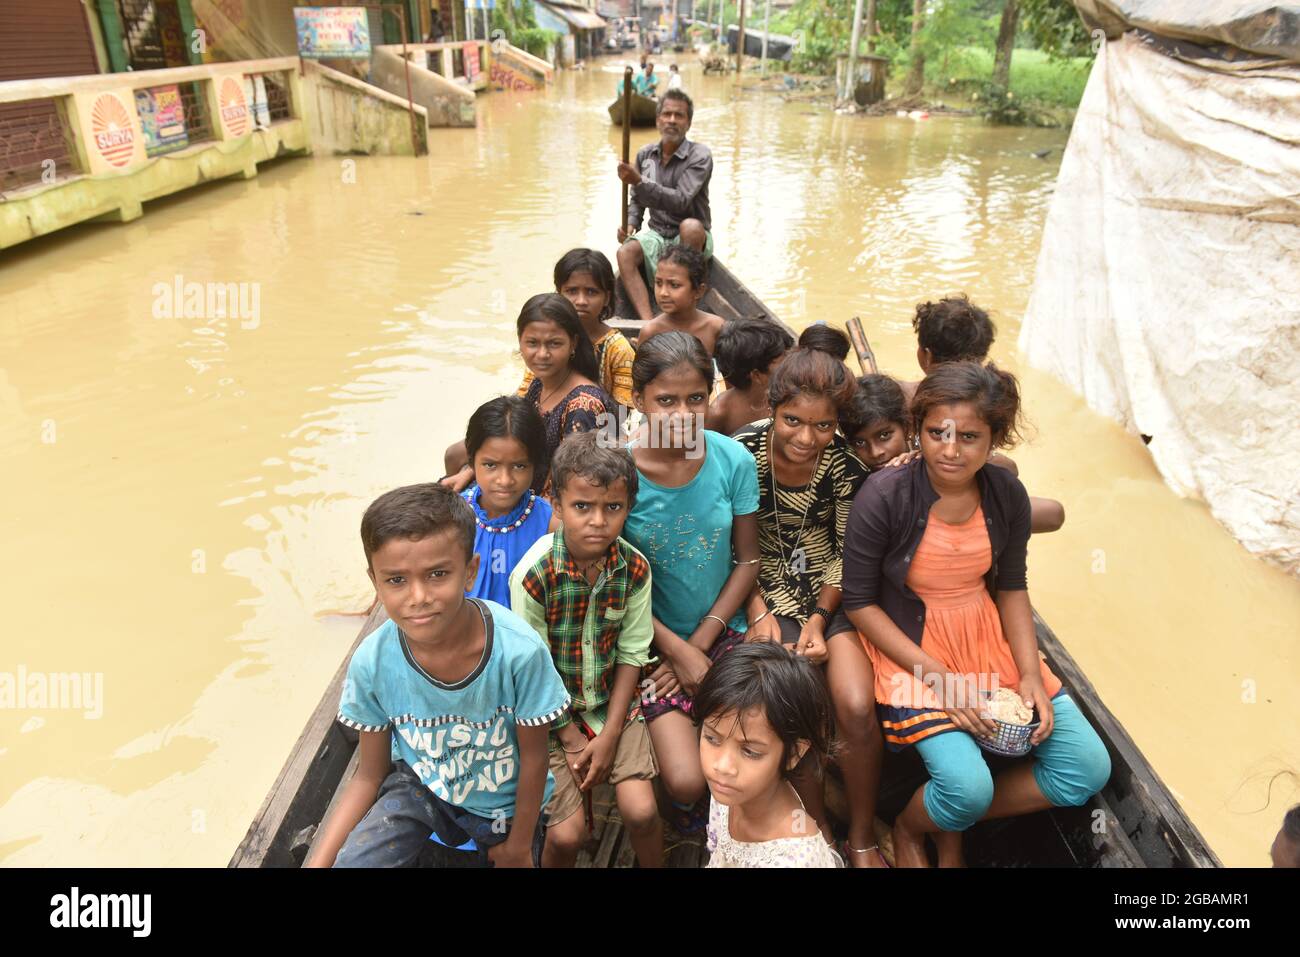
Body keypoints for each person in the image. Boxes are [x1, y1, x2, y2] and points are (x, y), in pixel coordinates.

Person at [841, 362, 1111, 868]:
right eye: (936, 433)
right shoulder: (884, 495)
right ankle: (910, 827)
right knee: (966, 788)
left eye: (969, 436)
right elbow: (859, 604)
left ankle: (939, 817)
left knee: (1085, 768)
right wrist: (939, 678)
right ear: (918, 431)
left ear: (995, 439)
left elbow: (1012, 588)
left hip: (989, 637)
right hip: (913, 646)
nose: (950, 449)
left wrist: (1030, 673)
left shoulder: (1007, 495)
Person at [306, 484, 570, 868]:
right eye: (396, 580)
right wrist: (319, 863)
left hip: (504, 802)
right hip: (423, 788)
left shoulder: (518, 652)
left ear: (470, 572)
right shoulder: (373, 662)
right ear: (375, 581)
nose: (418, 596)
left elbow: (534, 759)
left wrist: (518, 845)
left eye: (437, 574)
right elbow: (369, 774)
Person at [733, 348, 887, 868]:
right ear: (771, 408)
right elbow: (732, 546)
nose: (805, 438)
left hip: (830, 596)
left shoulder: (845, 464)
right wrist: (757, 611)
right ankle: (815, 832)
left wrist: (819, 620)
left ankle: (862, 836)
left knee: (857, 707)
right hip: (760, 593)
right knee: (792, 708)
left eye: (823, 426)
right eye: (793, 421)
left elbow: (847, 552)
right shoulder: (741, 453)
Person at [620, 332, 760, 830]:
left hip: (724, 631)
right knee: (684, 782)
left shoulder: (732, 460)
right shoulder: (619, 473)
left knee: (752, 751)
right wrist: (677, 652)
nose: (683, 414)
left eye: (696, 398)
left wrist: (700, 642)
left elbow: (747, 561)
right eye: (666, 401)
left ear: (711, 394)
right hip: (648, 646)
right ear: (637, 401)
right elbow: (611, 582)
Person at [510, 431, 663, 868]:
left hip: (612, 705)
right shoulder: (534, 575)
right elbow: (531, 671)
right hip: (547, 716)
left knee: (643, 811)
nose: (598, 520)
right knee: (565, 837)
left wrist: (611, 732)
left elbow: (633, 654)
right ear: (556, 505)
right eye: (582, 507)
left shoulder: (633, 568)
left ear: (627, 508)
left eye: (612, 507)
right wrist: (572, 738)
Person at [896, 295, 1066, 534]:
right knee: (1047, 509)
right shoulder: (993, 398)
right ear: (981, 359)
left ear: (924, 355)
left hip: (943, 499)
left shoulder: (899, 394)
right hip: (926, 501)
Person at [444, 294, 612, 498]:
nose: (542, 354)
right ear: (520, 342)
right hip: (519, 479)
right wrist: (472, 470)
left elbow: (573, 483)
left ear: (573, 343)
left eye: (554, 344)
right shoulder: (539, 383)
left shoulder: (584, 405)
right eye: (532, 343)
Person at [697, 642, 843, 868]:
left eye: (750, 752)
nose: (723, 766)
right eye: (712, 738)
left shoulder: (795, 861)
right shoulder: (729, 792)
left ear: (794, 752)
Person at [617, 89, 714, 325]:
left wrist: (639, 180)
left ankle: (687, 312)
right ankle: (649, 322)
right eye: (667, 114)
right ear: (658, 119)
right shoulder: (646, 155)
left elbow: (681, 200)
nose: (672, 120)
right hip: (658, 233)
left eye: (678, 115)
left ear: (688, 122)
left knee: (690, 227)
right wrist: (630, 224)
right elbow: (638, 199)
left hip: (691, 236)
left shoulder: (699, 155)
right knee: (625, 253)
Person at [459, 396, 556, 607]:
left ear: (535, 464)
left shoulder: (550, 524)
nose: (505, 480)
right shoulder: (450, 517)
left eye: (519, 466)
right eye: (490, 465)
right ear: (471, 459)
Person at [515, 249, 636, 410]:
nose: (581, 301)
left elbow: (623, 409)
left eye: (591, 292)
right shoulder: (545, 343)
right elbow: (526, 392)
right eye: (572, 291)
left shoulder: (618, 348)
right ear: (559, 293)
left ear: (606, 298)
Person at [708, 318, 794, 435]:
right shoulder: (718, 414)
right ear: (757, 376)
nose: (792, 362)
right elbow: (697, 450)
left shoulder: (792, 393)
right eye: (784, 358)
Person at [637, 244, 724, 356]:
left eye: (674, 285)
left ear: (698, 291)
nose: (663, 293)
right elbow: (641, 372)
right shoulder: (650, 332)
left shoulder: (716, 328)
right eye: (658, 283)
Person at [839, 374, 912, 471]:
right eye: (859, 443)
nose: (875, 453)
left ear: (906, 427)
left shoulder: (927, 462)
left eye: (884, 435)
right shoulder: (851, 479)